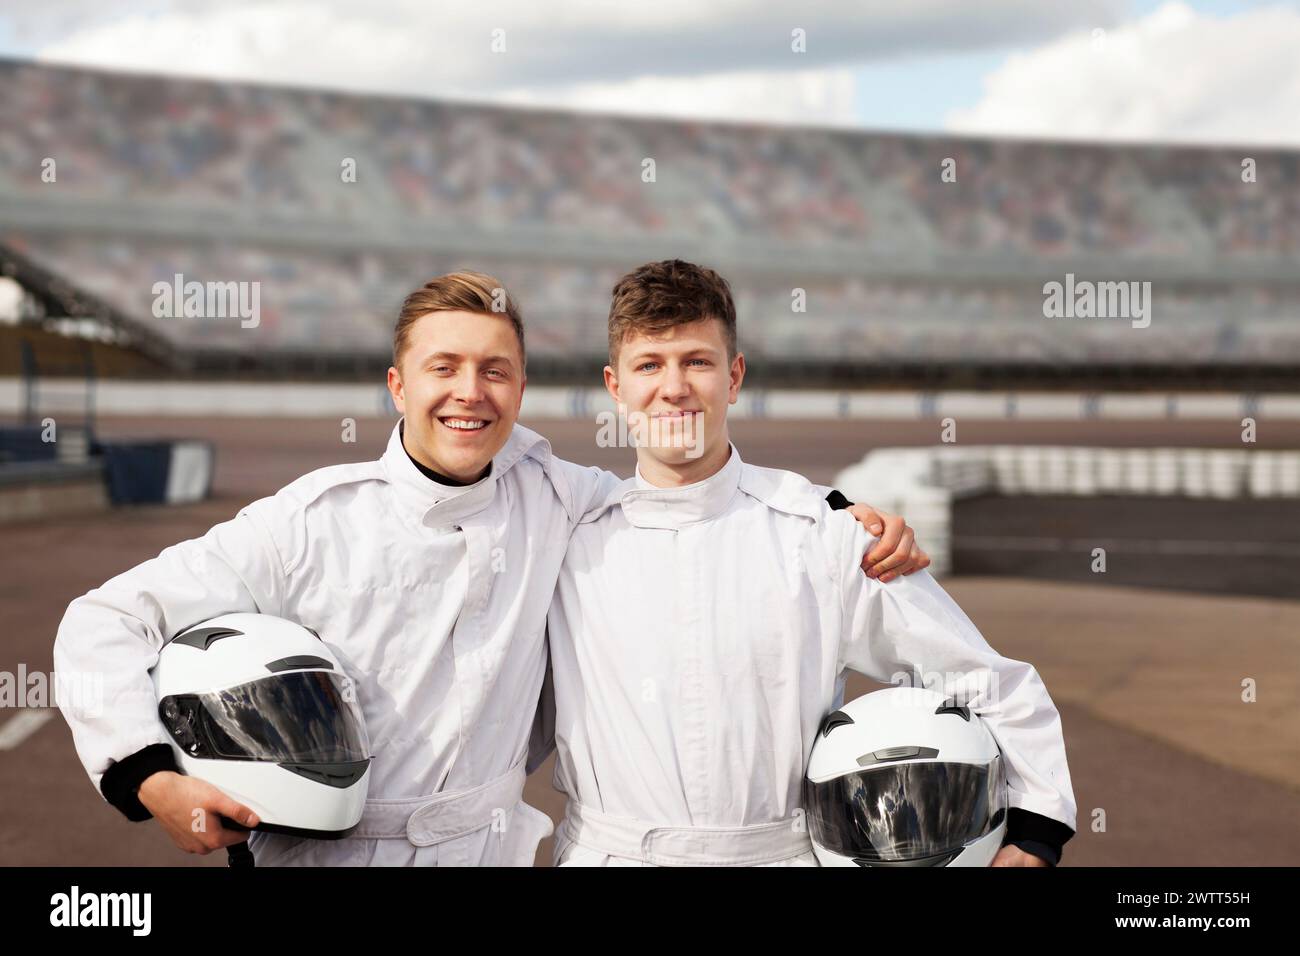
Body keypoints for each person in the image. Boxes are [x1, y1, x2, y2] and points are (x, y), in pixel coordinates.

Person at [54, 270, 926, 866]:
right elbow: (104, 620)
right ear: (398, 385)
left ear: (521, 389)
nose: (470, 392)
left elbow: (691, 489)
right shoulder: (310, 520)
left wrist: (838, 514)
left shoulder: (560, 493)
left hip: (491, 845)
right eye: (445, 368)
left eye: (495, 372)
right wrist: (151, 778)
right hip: (325, 852)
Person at [546, 259, 1076, 867]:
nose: (674, 387)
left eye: (697, 361)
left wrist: (1037, 831)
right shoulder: (567, 534)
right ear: (615, 386)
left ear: (734, 375)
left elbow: (985, 678)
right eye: (649, 365)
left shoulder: (826, 532)